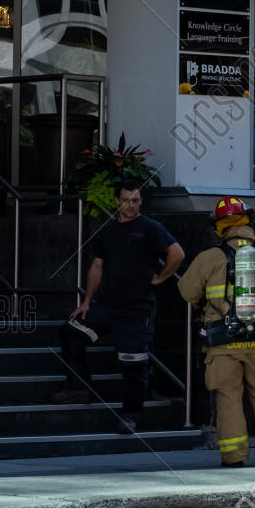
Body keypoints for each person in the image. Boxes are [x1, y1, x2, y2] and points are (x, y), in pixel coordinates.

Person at [178, 197, 255, 467]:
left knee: (229, 398)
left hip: (222, 343)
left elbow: (186, 291)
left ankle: (233, 458)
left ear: (219, 226)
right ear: (246, 221)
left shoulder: (209, 258)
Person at [58, 181, 184, 435]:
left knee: (133, 363)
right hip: (104, 306)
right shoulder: (107, 232)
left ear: (141, 202)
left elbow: (177, 253)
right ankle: (79, 389)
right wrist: (86, 301)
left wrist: (160, 278)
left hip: (137, 310)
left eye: (135, 201)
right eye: (126, 200)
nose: (130, 206)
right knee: (71, 334)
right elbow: (97, 267)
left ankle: (130, 416)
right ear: (117, 201)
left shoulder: (151, 228)